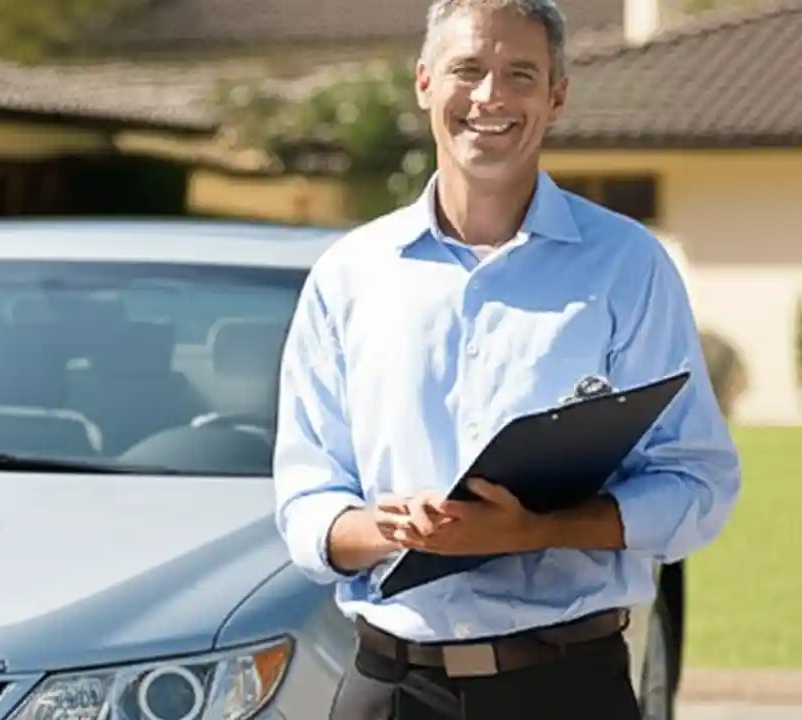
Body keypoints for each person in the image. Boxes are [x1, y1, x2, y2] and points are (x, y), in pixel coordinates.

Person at [271, 1, 742, 718]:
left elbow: (698, 485)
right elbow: (307, 503)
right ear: (425, 82)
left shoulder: (627, 266)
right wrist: (391, 529)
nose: (490, 97)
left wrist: (540, 530)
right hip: (392, 689)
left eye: (519, 73)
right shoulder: (349, 274)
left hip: (567, 687)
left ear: (557, 95)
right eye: (468, 70)